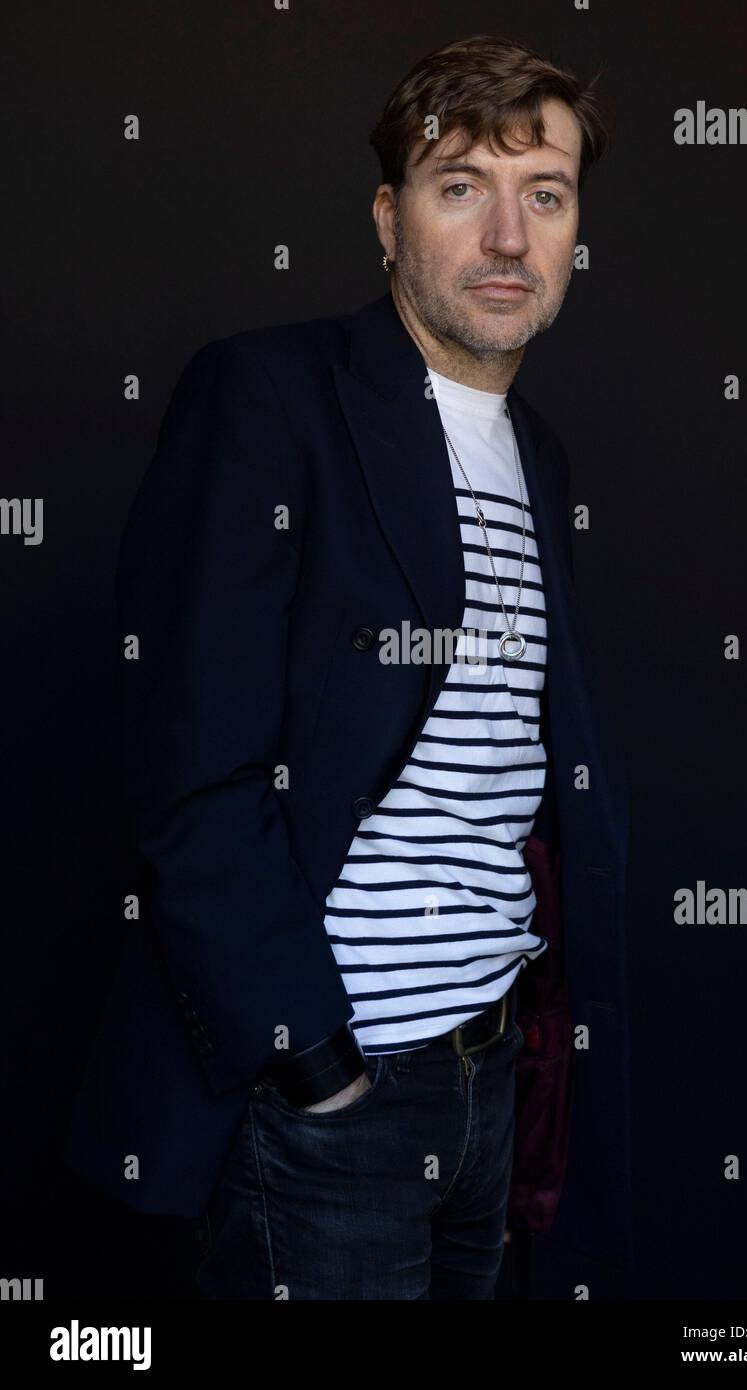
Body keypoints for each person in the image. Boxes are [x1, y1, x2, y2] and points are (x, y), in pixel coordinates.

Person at [63, 33, 632, 1300]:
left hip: (493, 1085)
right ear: (387, 220)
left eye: (541, 194)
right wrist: (313, 1059)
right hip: (326, 1103)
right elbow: (188, 764)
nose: (504, 234)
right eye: (457, 186)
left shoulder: (537, 458)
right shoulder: (267, 400)